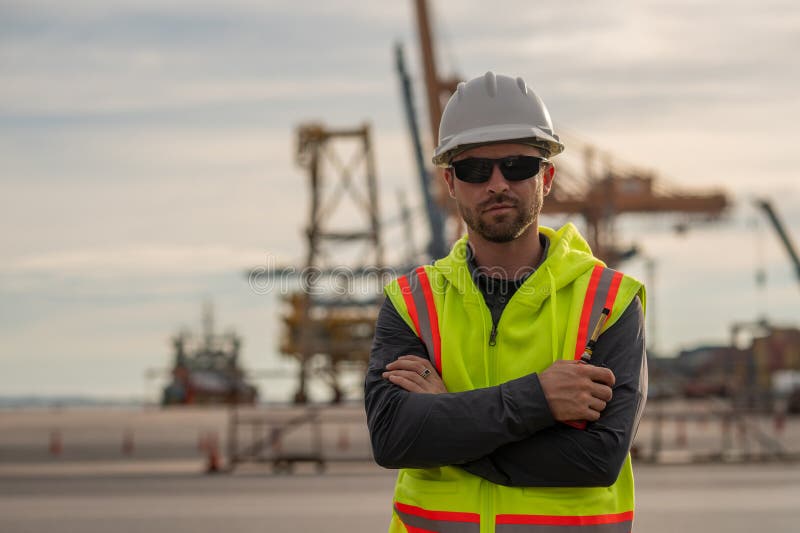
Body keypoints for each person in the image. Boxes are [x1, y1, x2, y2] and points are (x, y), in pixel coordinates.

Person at [365, 71, 647, 533]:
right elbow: (395, 439)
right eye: (475, 170)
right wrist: (539, 399)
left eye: (517, 165)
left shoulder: (610, 302)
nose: (497, 183)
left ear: (547, 176)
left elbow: (596, 459)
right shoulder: (411, 302)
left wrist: (449, 419)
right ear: (451, 183)